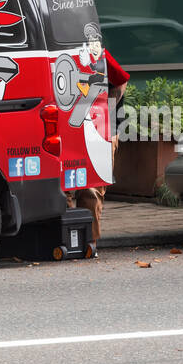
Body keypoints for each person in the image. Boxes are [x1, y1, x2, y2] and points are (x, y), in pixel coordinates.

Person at [67, 28, 130, 243]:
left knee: (91, 189)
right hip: (67, 130)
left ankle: (89, 243)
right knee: (63, 189)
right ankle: (66, 238)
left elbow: (121, 81)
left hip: (100, 130)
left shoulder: (97, 53)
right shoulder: (58, 55)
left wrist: (106, 111)